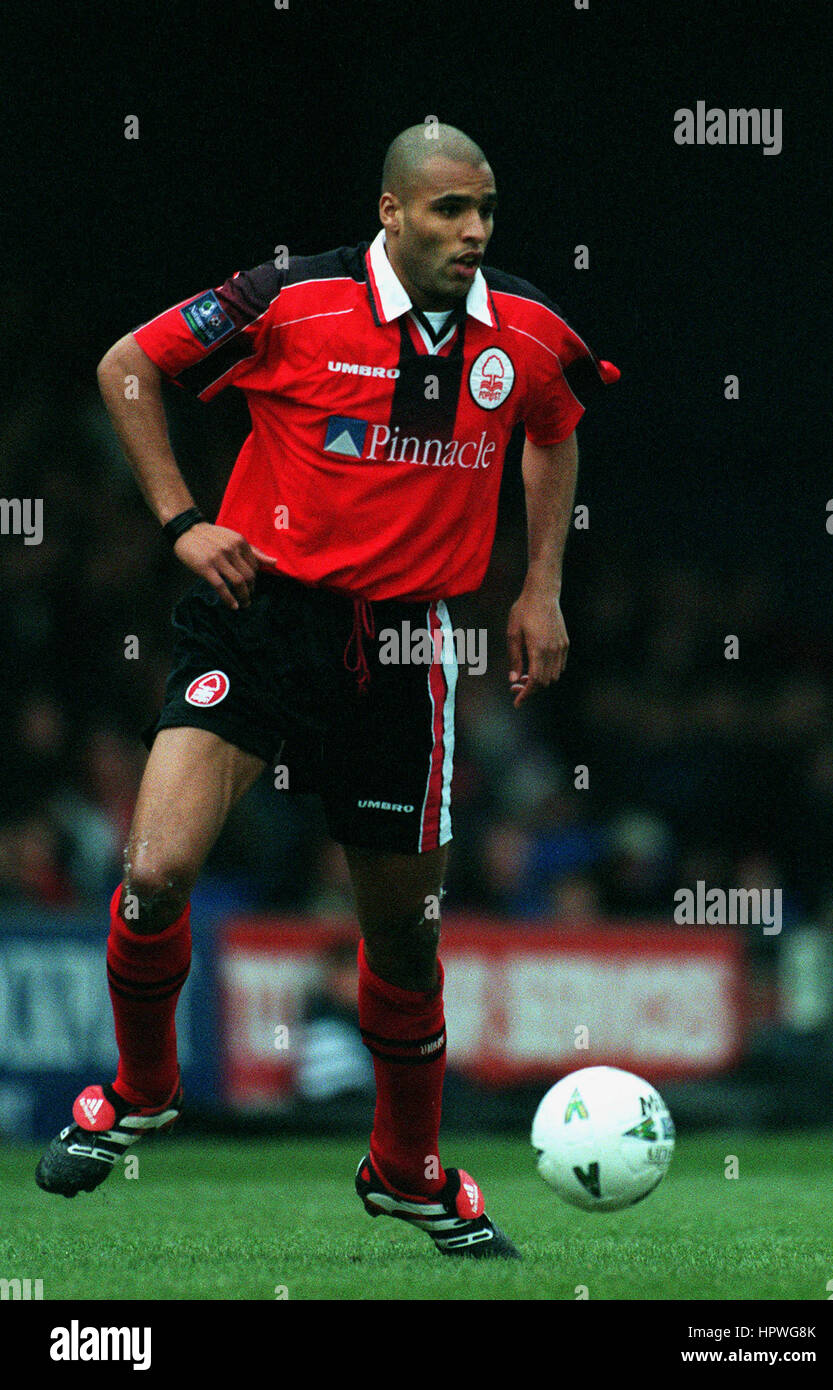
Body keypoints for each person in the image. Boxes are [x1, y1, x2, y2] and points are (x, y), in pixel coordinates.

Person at [35, 124, 618, 1258]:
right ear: (391, 214)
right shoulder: (290, 300)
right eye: (449, 209)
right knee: (153, 873)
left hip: (403, 654)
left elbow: (556, 427)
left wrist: (539, 587)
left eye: (486, 209)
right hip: (256, 619)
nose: (474, 231)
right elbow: (127, 365)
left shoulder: (528, 331)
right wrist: (180, 521)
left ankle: (406, 1170)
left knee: (405, 943)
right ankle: (145, 1089)